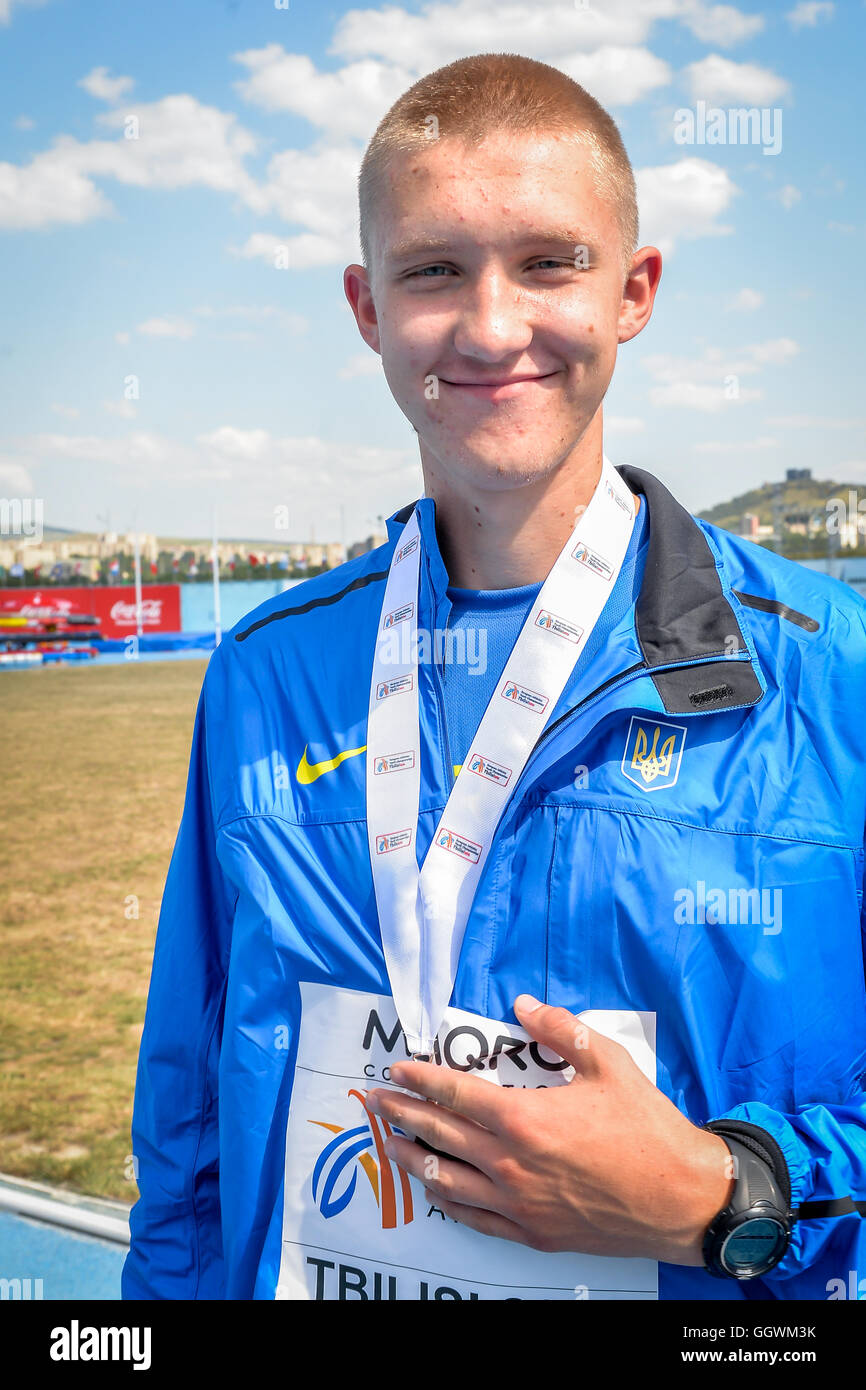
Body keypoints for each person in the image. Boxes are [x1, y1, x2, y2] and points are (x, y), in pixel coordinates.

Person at [122, 53, 866, 1302]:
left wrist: (717, 1193)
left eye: (548, 262)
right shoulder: (265, 672)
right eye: (432, 270)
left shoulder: (826, 674)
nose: (488, 325)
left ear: (632, 291)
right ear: (367, 308)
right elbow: (188, 1122)